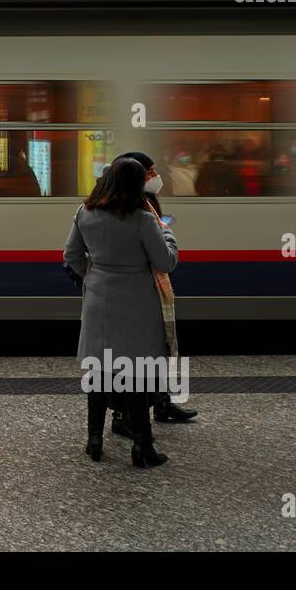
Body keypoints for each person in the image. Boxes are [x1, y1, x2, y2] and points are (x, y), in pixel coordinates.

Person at [63, 157, 179, 468]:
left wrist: (92, 277)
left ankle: (94, 440)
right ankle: (142, 447)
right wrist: (168, 235)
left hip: (98, 300)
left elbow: (71, 256)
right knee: (137, 374)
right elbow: (165, 262)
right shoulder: (143, 219)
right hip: (137, 303)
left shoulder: (84, 213)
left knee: (100, 372)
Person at [108, 151, 197, 434]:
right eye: (150, 172)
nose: (156, 177)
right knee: (134, 358)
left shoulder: (141, 201)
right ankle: (124, 417)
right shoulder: (133, 208)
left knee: (156, 351)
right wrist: (165, 232)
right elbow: (163, 255)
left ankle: (161, 402)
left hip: (149, 286)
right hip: (141, 288)